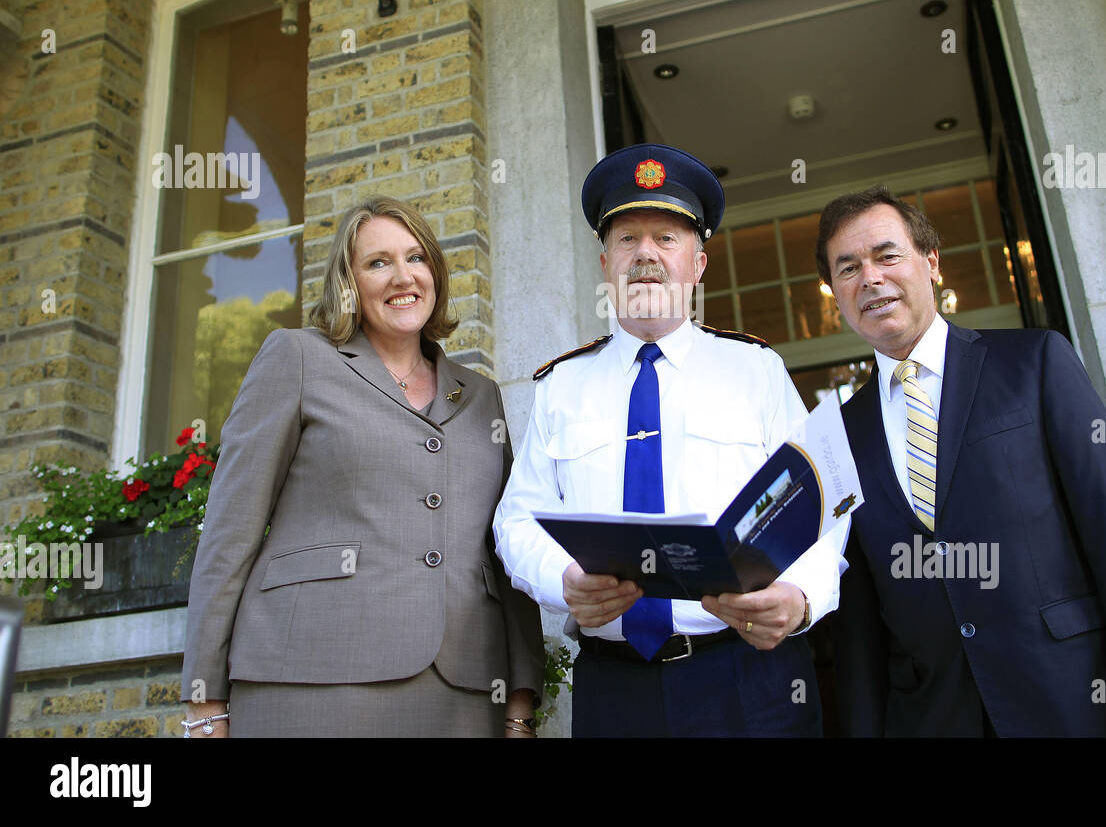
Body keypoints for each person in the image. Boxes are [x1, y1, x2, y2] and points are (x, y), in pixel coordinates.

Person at [818, 186, 1106, 736]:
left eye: (888, 256)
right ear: (834, 291)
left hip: (1074, 703)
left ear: (930, 263)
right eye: (849, 268)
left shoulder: (1034, 363)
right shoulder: (838, 432)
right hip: (931, 718)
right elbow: (857, 615)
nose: (871, 278)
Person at [493, 143, 849, 737]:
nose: (646, 256)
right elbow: (517, 519)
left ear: (698, 263)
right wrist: (564, 582)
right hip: (615, 688)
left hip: (749, 676)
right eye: (628, 239)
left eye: (667, 239)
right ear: (605, 264)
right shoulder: (562, 387)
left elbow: (820, 502)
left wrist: (802, 596)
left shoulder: (756, 370)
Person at [181, 197, 543, 737]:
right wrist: (204, 702)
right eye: (378, 262)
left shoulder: (482, 396)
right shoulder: (297, 358)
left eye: (416, 258)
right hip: (311, 678)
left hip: (464, 693)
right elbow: (230, 531)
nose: (403, 277)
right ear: (347, 281)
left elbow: (507, 544)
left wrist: (519, 703)